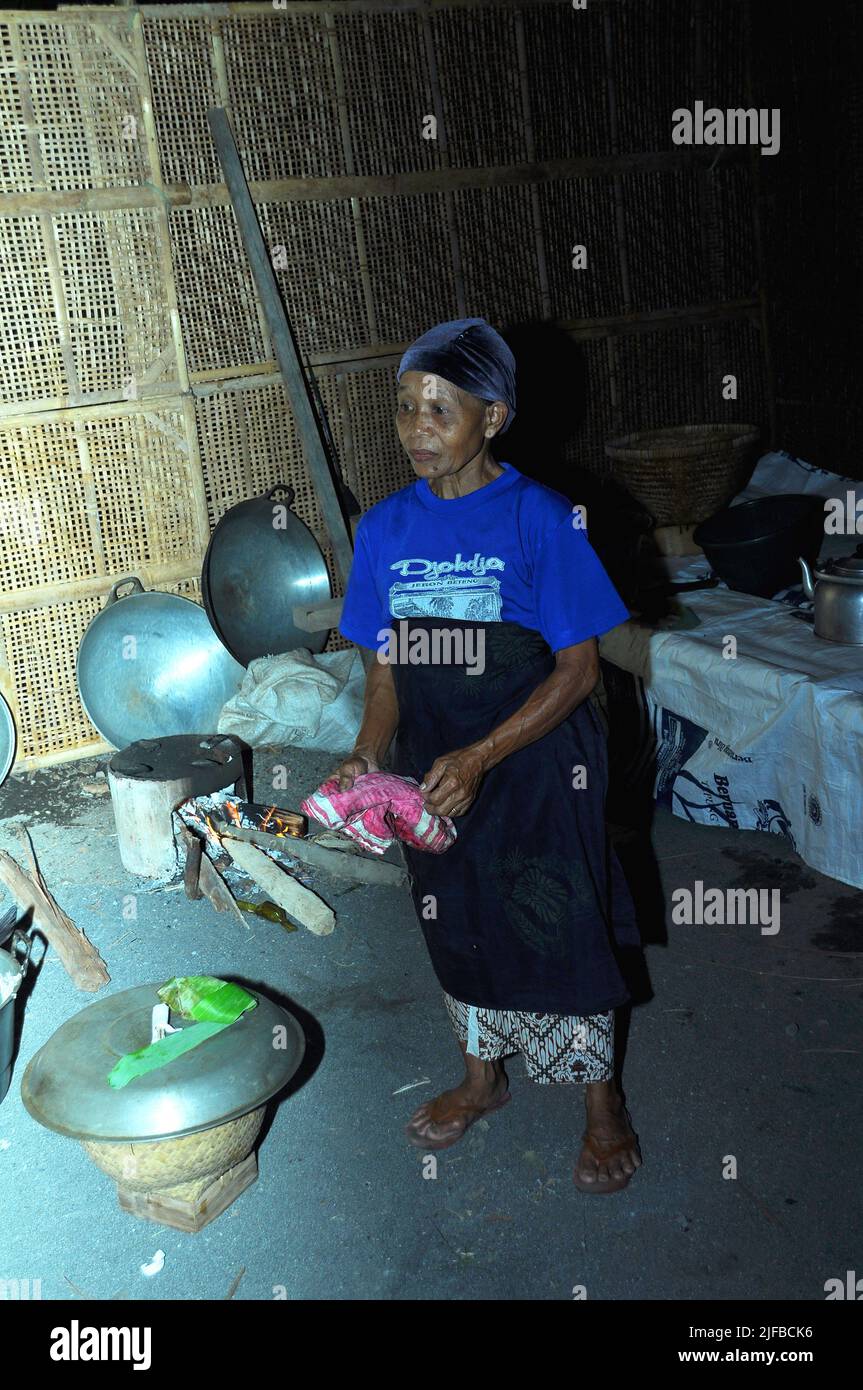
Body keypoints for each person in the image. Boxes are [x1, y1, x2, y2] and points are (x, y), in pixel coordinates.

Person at [331, 317, 642, 1193]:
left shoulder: (541, 516)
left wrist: (484, 755)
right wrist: (364, 755)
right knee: (454, 912)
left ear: (492, 417)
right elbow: (384, 671)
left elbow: (579, 671)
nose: (417, 429)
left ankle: (600, 1104)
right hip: (435, 759)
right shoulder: (385, 528)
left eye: (440, 409)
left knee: (561, 917)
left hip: (537, 753)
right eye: (403, 409)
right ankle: (482, 1078)